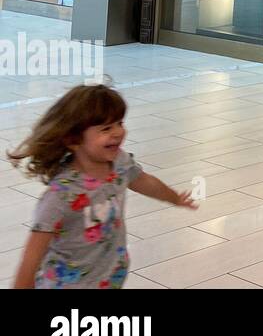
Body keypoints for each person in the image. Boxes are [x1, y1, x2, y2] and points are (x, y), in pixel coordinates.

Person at [9, 83, 198, 289]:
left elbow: (143, 180)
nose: (118, 132)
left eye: (119, 122)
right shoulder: (61, 195)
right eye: (106, 128)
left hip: (109, 273)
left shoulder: (120, 162)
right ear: (73, 139)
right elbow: (31, 258)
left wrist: (174, 197)